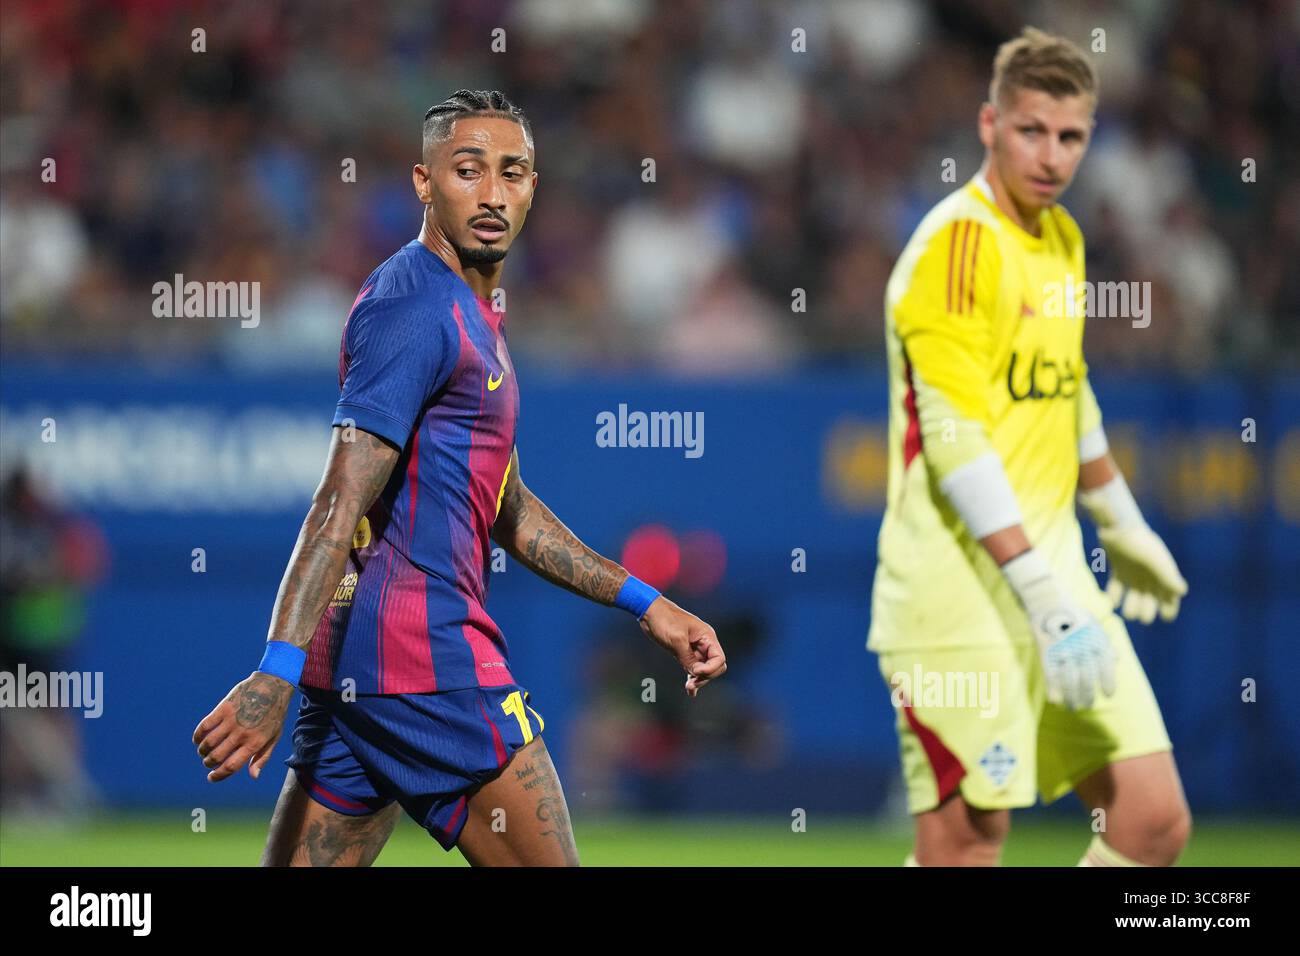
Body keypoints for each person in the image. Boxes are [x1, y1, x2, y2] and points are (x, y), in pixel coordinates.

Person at [192, 90, 727, 867]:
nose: (491, 194)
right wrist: (272, 670)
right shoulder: (414, 307)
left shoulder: (471, 314)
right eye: (467, 171)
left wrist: (646, 603)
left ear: (534, 188)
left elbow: (506, 504)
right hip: (428, 667)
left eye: (512, 174)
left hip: (355, 676)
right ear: (422, 181)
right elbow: (339, 498)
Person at [868, 30, 1190, 866]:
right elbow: (952, 440)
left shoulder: (1063, 241)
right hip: (957, 599)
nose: (1051, 155)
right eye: (1031, 131)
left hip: (1057, 585)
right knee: (966, 851)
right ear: (989, 125)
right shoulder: (954, 246)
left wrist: (1120, 521)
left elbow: (1066, 388)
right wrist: (1042, 594)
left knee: (1151, 823)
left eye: (1072, 136)